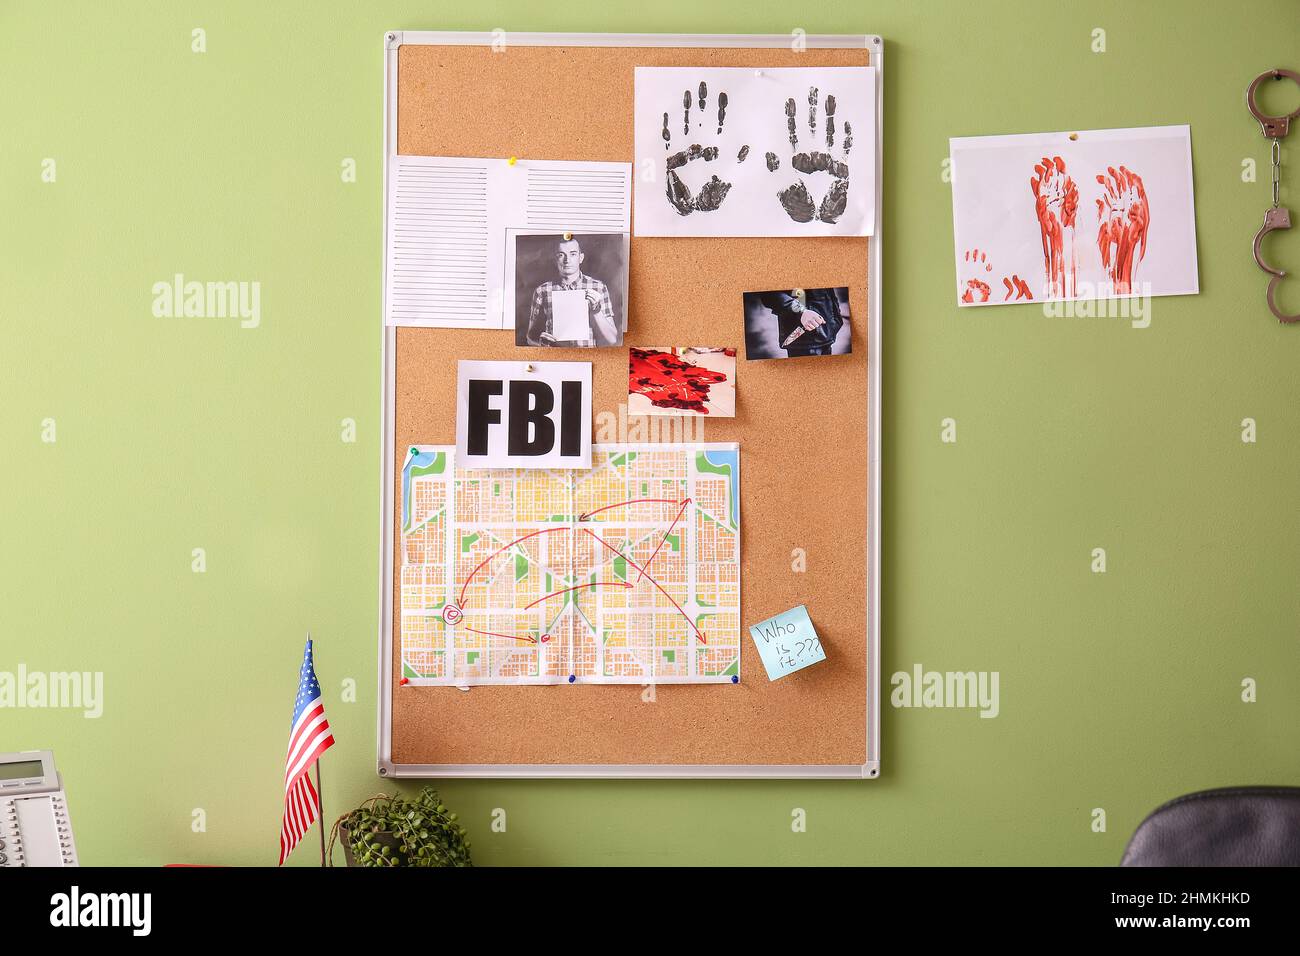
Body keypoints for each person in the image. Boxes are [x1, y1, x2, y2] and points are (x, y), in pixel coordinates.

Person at [524, 237, 619, 347]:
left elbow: (612, 339)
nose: (567, 260)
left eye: (573, 254)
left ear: (581, 258)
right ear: (555, 259)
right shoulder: (542, 291)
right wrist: (540, 343)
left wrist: (596, 310)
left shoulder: (598, 287)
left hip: (588, 358)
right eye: (561, 255)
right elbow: (529, 338)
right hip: (556, 358)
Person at [756, 288, 845, 356]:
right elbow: (769, 294)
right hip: (803, 341)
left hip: (827, 335)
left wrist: (836, 320)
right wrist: (801, 311)